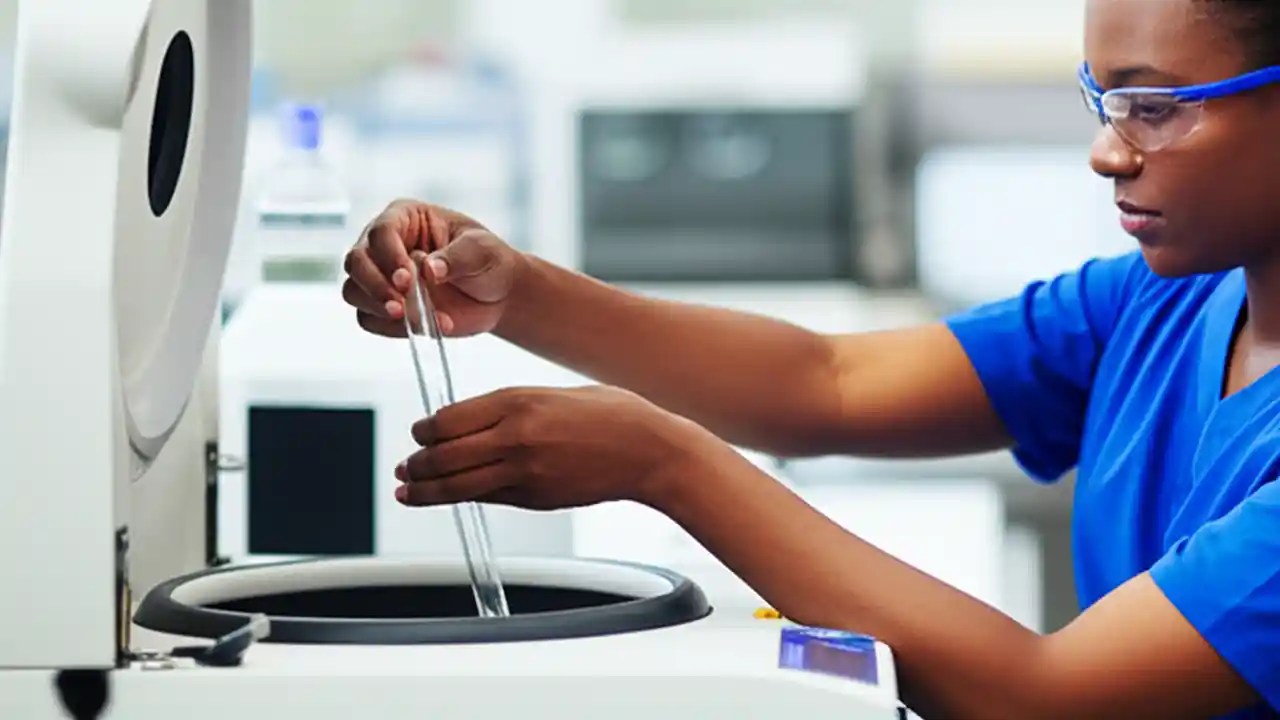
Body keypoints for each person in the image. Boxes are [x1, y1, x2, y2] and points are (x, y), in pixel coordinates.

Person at [341, 0, 1280, 717]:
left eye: (1155, 108)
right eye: (1101, 100)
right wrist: (520, 293)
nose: (1107, 154)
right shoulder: (1167, 296)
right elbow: (825, 383)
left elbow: (1040, 698)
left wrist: (662, 464)